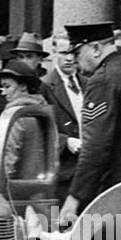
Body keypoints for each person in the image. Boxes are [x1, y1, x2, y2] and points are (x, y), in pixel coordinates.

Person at [57, 21, 121, 229]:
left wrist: (73, 199)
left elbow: (95, 147)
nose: (73, 59)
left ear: (96, 48)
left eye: (77, 52)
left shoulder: (102, 81)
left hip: (116, 190)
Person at [40, 32, 85, 202]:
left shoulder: (89, 84)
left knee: (92, 222)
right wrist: (66, 142)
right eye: (64, 53)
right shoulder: (44, 86)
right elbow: (41, 129)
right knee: (64, 224)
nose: (69, 58)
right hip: (63, 172)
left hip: (88, 171)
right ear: (54, 53)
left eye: (74, 53)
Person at [0, 59, 49, 178]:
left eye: (7, 87)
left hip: (15, 190)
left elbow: (7, 161)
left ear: (22, 86)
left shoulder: (17, 118)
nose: (3, 93)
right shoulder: (41, 113)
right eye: (2, 88)